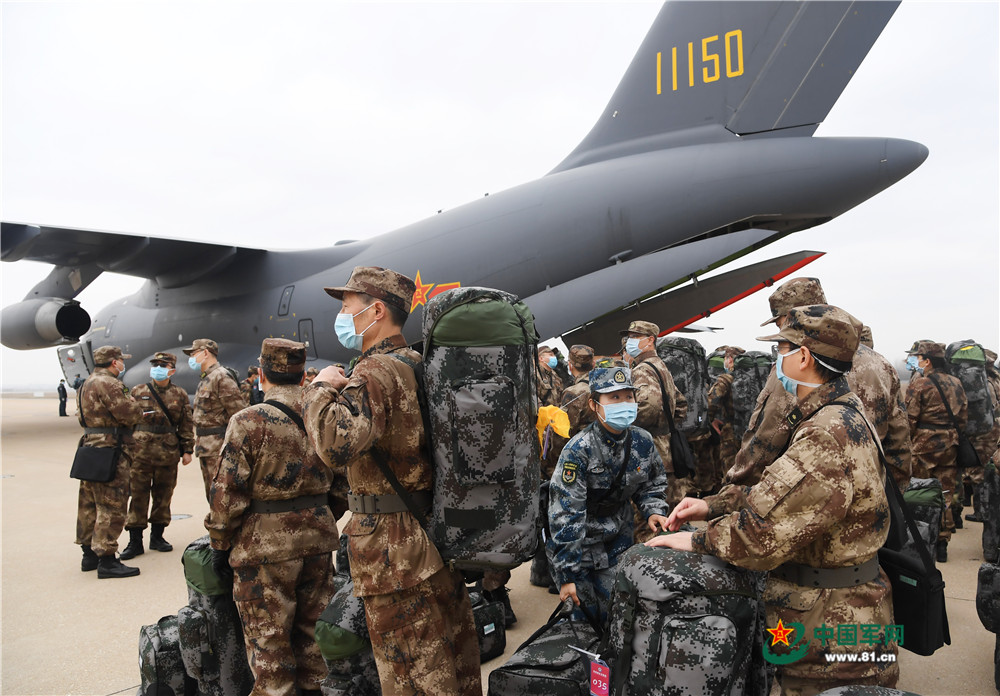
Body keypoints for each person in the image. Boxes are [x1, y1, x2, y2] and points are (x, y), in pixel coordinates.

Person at [649, 305, 898, 696]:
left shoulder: (824, 433)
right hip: (839, 608)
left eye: (782, 347)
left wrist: (696, 540)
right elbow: (786, 496)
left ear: (803, 357)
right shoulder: (842, 412)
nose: (777, 357)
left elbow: (761, 537)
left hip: (830, 623)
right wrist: (712, 505)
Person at [302, 266, 480, 696]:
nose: (343, 316)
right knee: (453, 665)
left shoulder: (376, 371)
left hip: (393, 552)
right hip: (432, 532)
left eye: (347, 307)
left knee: (411, 677)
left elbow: (334, 444)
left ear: (376, 310)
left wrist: (319, 389)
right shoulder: (418, 363)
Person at [206, 339, 346, 696]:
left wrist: (220, 545)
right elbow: (343, 483)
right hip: (317, 543)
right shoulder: (324, 413)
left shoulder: (247, 422)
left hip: (263, 552)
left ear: (263, 373)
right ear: (302, 374)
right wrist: (317, 515)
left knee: (270, 654)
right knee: (316, 647)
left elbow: (226, 493)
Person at [723, 278, 911, 493]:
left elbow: (767, 439)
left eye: (781, 323)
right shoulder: (881, 365)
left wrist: (735, 492)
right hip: (868, 496)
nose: (782, 331)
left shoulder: (795, 366)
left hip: (806, 498)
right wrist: (893, 498)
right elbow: (899, 443)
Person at [548, 365, 669, 622]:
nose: (624, 403)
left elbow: (652, 482)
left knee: (620, 614)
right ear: (594, 404)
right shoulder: (578, 450)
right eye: (614, 397)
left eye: (628, 396)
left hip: (618, 541)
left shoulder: (642, 441)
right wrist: (567, 575)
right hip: (581, 547)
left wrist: (653, 509)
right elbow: (566, 514)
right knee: (584, 621)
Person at [75, 345, 144, 578]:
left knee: (88, 502)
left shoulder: (86, 383)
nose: (122, 364)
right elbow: (130, 413)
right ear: (115, 362)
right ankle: (107, 560)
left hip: (89, 446)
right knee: (111, 503)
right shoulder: (111, 384)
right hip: (110, 448)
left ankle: (88, 555)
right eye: (121, 361)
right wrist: (136, 406)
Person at [120, 352, 195, 560]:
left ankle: (157, 537)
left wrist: (187, 449)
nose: (158, 368)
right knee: (137, 496)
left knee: (163, 496)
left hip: (167, 453)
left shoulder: (179, 394)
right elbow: (128, 420)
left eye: (163, 365)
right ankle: (135, 541)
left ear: (172, 369)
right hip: (140, 453)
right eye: (156, 364)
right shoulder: (138, 390)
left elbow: (186, 424)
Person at [904, 339, 968, 562]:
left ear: (928, 361)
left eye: (919, 358)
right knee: (946, 494)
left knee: (921, 494)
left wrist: (909, 442)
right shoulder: (956, 382)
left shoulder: (920, 384)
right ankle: (943, 542)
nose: (917, 362)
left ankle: (923, 540)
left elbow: (909, 418)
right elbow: (963, 417)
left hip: (924, 446)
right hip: (950, 444)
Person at [620, 320, 689, 509]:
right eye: (629, 337)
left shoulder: (642, 369)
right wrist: (665, 425)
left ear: (650, 340)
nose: (629, 341)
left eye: (635, 337)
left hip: (650, 450)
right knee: (672, 511)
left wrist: (625, 427)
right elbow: (681, 404)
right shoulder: (660, 366)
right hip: (667, 448)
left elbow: (648, 406)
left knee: (650, 513)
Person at [184, 338, 248, 500]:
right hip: (206, 448)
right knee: (212, 496)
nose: (191, 358)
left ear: (205, 353)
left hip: (218, 449)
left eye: (194, 353)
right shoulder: (207, 378)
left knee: (221, 498)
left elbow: (238, 414)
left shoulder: (221, 377)